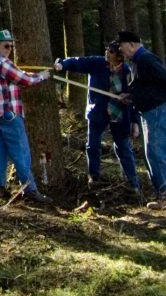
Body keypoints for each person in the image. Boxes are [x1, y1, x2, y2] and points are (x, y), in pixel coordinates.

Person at [52, 41, 140, 194]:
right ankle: (94, 178)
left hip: (119, 113)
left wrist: (134, 121)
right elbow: (79, 62)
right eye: (106, 49)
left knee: (123, 148)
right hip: (97, 111)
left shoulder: (127, 71)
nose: (107, 53)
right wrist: (62, 64)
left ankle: (133, 184)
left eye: (111, 51)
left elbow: (134, 99)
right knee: (92, 145)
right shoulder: (97, 63)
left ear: (119, 55)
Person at [113, 29, 166, 208]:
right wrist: (129, 96)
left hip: (161, 110)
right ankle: (163, 195)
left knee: (157, 153)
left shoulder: (145, 59)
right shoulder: (137, 62)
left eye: (121, 46)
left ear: (132, 44)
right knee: (150, 154)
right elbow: (144, 87)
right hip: (149, 112)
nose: (120, 50)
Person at [0, 29, 52, 203]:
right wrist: (42, 76)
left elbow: (14, 78)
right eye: (6, 45)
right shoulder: (1, 62)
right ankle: (30, 191)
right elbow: (25, 80)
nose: (9, 49)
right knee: (21, 153)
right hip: (9, 114)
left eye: (11, 45)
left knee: (0, 151)